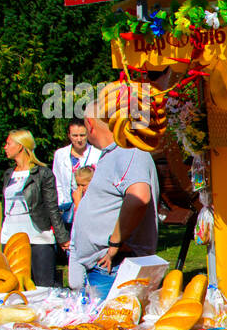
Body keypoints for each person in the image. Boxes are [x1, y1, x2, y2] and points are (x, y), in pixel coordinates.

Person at [69, 104, 161, 298]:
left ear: (90, 124)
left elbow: (138, 196)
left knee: (115, 327)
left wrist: (114, 244)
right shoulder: (116, 153)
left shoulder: (128, 151)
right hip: (106, 266)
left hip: (114, 266)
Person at [0, 130, 69, 287]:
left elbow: (52, 207)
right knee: (14, 287)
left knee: (43, 286)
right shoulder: (8, 174)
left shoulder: (43, 174)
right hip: (10, 237)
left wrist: (62, 236)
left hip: (38, 236)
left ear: (20, 146)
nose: (5, 147)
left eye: (8, 143)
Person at [52, 120, 102, 228]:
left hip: (90, 207)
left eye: (82, 135)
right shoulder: (60, 154)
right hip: (66, 208)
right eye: (75, 135)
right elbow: (57, 183)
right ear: (69, 135)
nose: (79, 139)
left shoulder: (97, 154)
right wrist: (61, 205)